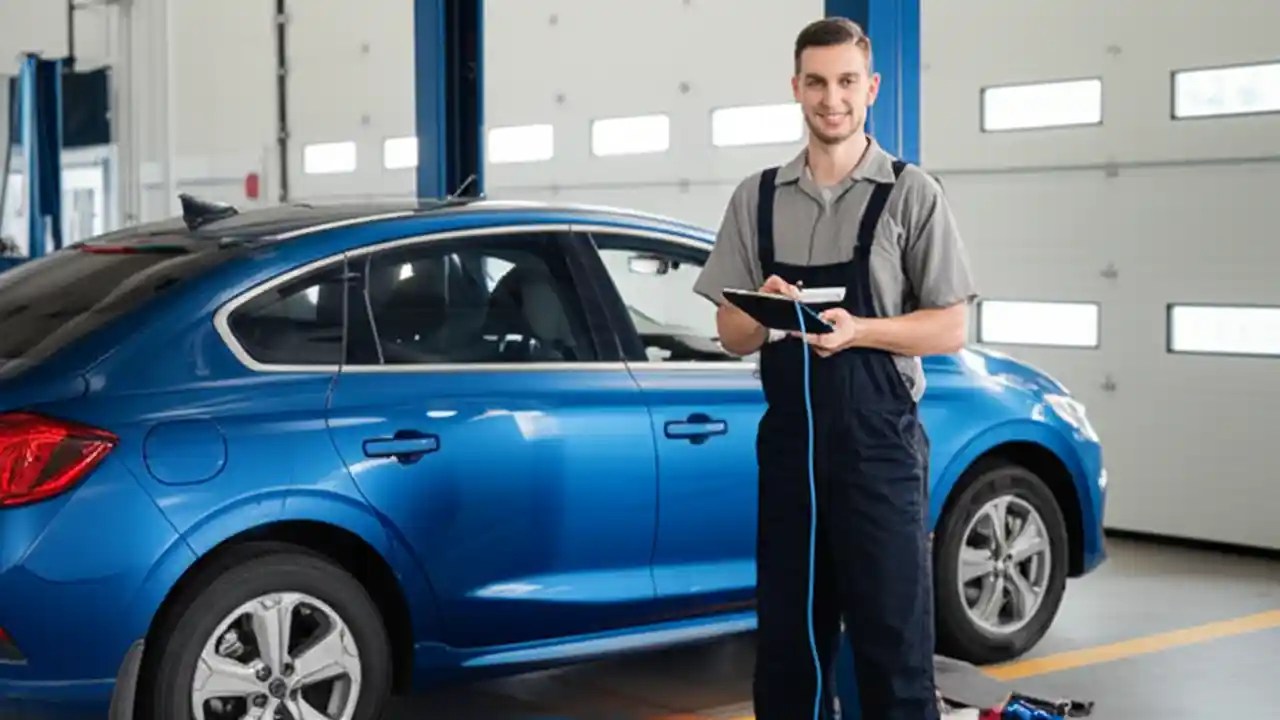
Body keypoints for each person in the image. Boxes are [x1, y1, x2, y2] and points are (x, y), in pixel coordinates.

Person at [692, 17, 978, 720]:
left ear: (870, 88)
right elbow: (729, 334)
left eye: (847, 82)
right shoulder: (755, 198)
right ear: (796, 88)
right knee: (790, 648)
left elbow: (951, 326)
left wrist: (860, 332)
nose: (832, 99)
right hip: (791, 453)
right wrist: (764, 309)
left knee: (892, 644)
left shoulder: (911, 194)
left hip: (880, 453)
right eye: (816, 82)